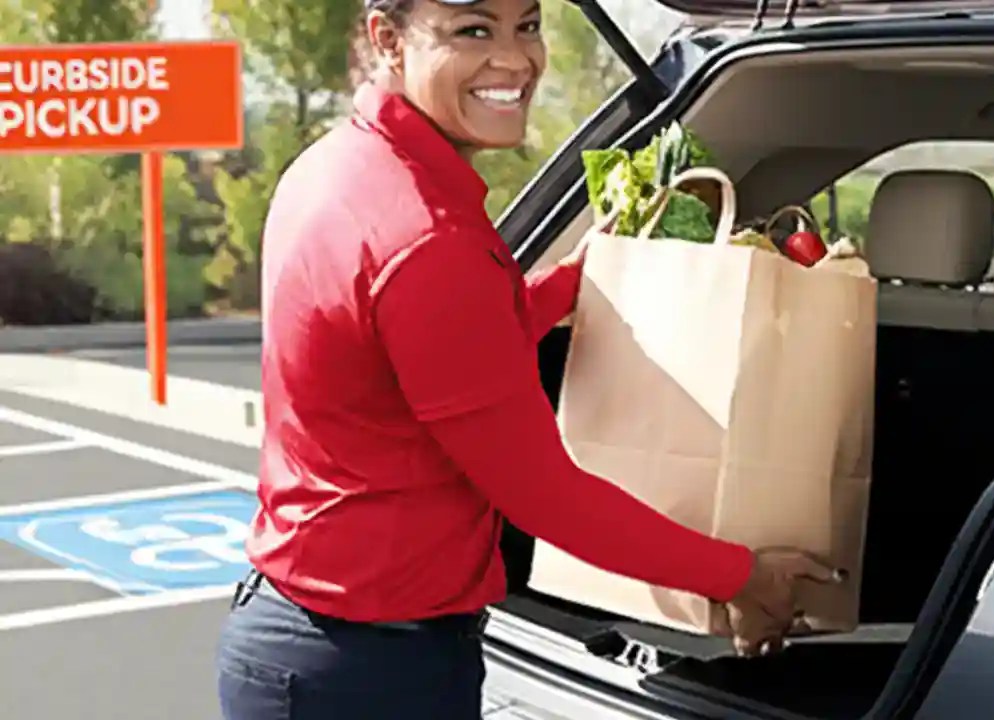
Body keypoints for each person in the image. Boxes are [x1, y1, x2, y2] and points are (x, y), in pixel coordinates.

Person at [214, 0, 843, 718]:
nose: (515, 59)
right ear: (387, 39)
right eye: (472, 30)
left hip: (306, 642)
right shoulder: (428, 239)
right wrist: (740, 575)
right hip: (371, 673)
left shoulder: (337, 169)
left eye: (529, 24)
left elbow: (423, 357)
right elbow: (546, 497)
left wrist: (571, 283)